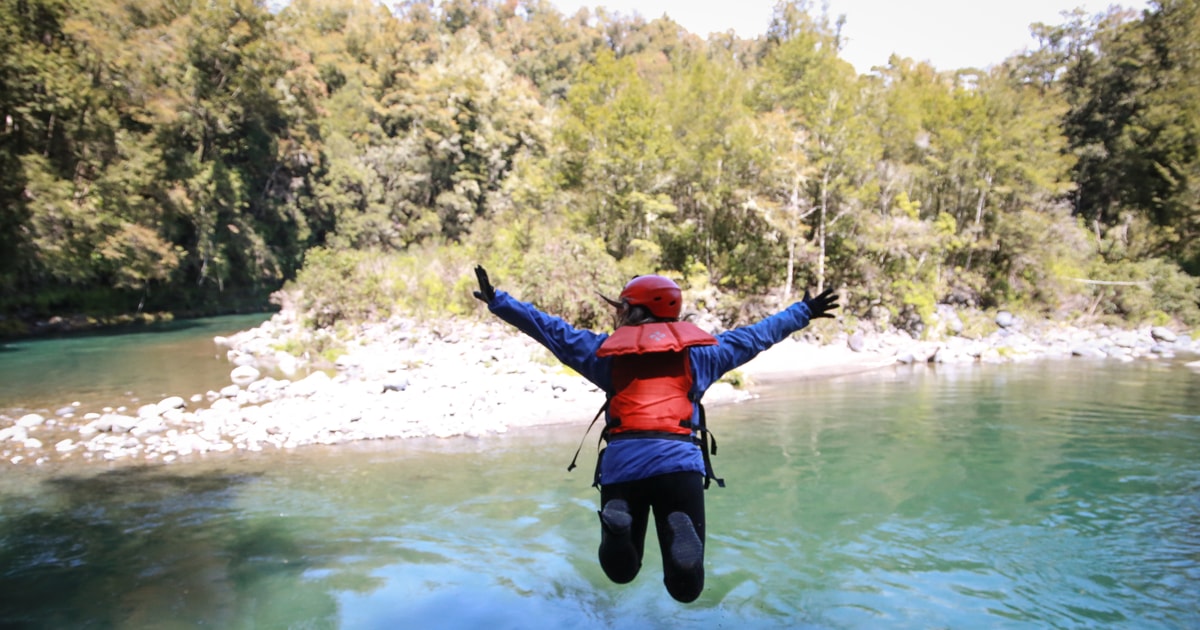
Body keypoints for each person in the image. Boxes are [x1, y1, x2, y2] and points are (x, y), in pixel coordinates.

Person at [472, 266, 838, 603]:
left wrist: (499, 301)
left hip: (622, 466)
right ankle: (677, 528)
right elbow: (755, 337)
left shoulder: (604, 354)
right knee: (686, 588)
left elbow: (551, 330)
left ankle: (619, 526)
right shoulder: (701, 356)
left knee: (621, 571)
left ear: (632, 310)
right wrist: (803, 311)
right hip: (680, 466)